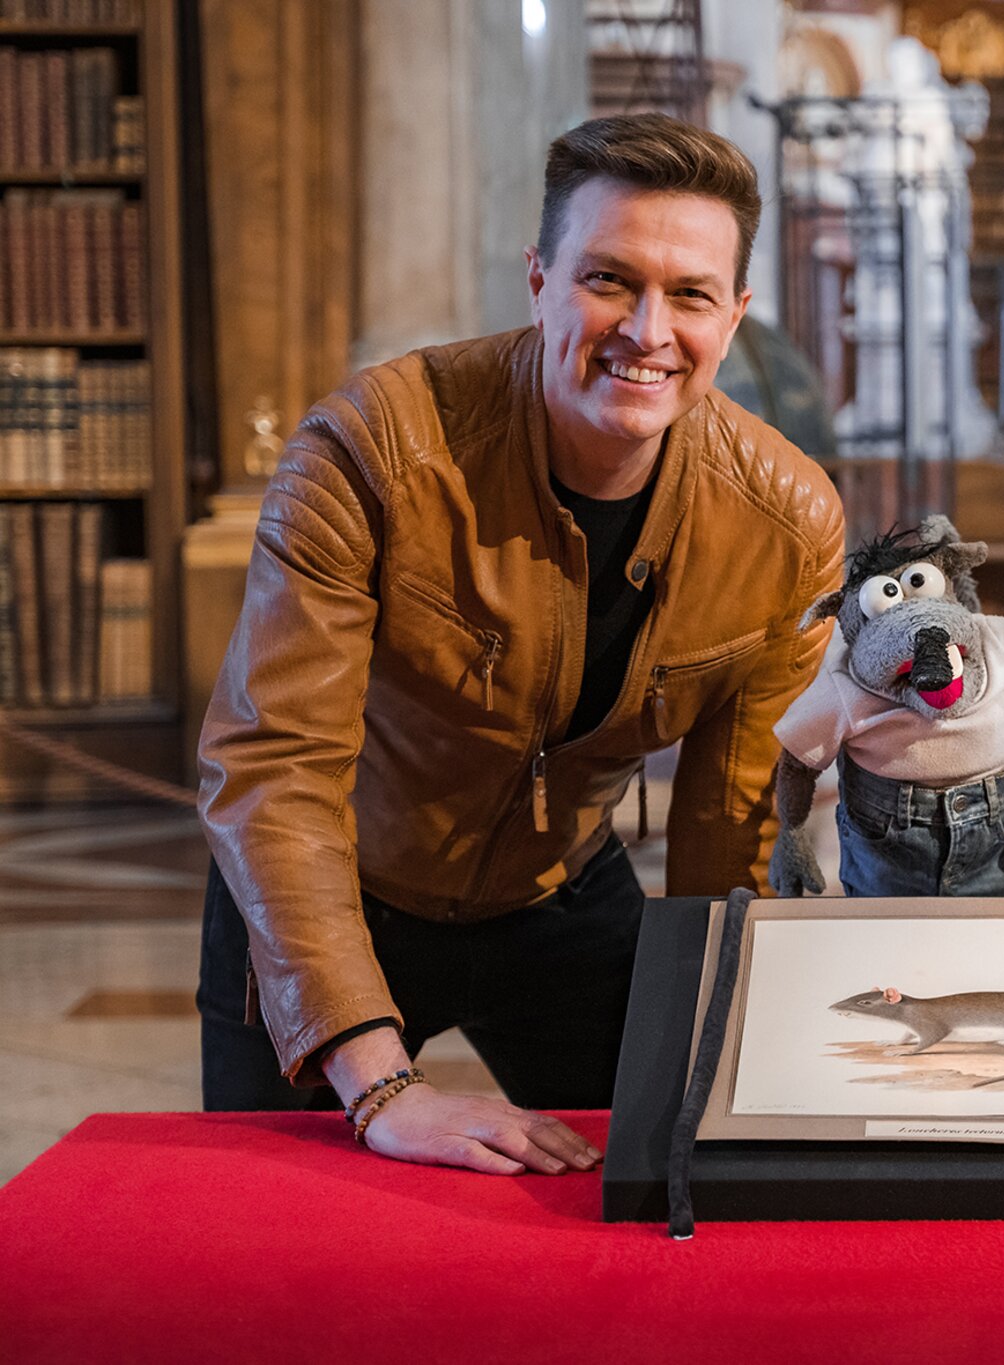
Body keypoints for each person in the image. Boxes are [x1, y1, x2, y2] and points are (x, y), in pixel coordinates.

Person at [196, 115, 845, 1174]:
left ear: (733, 316)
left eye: (689, 294)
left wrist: (733, 1054)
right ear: (540, 280)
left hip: (563, 896)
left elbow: (735, 833)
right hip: (325, 889)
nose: (646, 330)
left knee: (651, 1195)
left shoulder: (786, 523)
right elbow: (274, 767)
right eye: (607, 279)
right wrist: (380, 1082)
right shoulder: (371, 449)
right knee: (286, 1253)